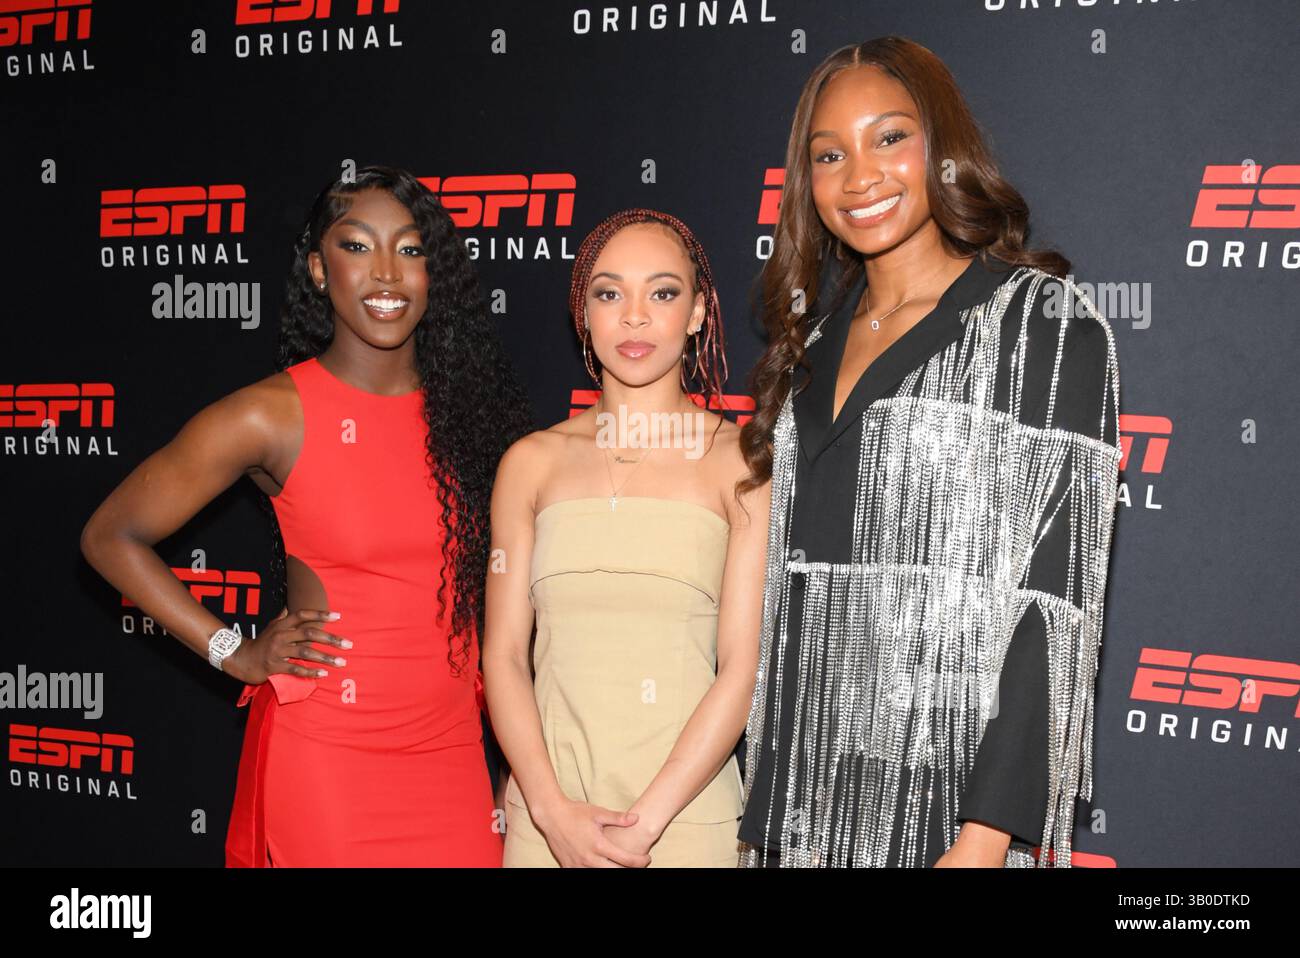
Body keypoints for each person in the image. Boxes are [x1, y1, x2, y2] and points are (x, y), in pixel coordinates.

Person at [733, 37, 1122, 867]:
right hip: (792, 808)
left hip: (942, 814)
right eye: (828, 154)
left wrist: (983, 838)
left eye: (890, 138)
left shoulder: (1041, 328)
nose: (859, 176)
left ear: (944, 148)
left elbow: (1053, 609)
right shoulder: (809, 347)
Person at [79, 166, 533, 866]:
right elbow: (111, 536)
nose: (387, 273)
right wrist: (234, 652)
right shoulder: (270, 415)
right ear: (320, 271)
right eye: (357, 247)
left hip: (451, 760)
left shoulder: (476, 419)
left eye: (410, 250)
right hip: (328, 761)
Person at [483, 209, 770, 867]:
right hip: (545, 822)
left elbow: (742, 669)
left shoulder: (743, 463)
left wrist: (646, 824)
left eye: (662, 292)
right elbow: (501, 657)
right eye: (609, 293)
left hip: (684, 825)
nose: (634, 317)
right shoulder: (530, 463)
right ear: (583, 313)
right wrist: (552, 816)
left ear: (697, 313)